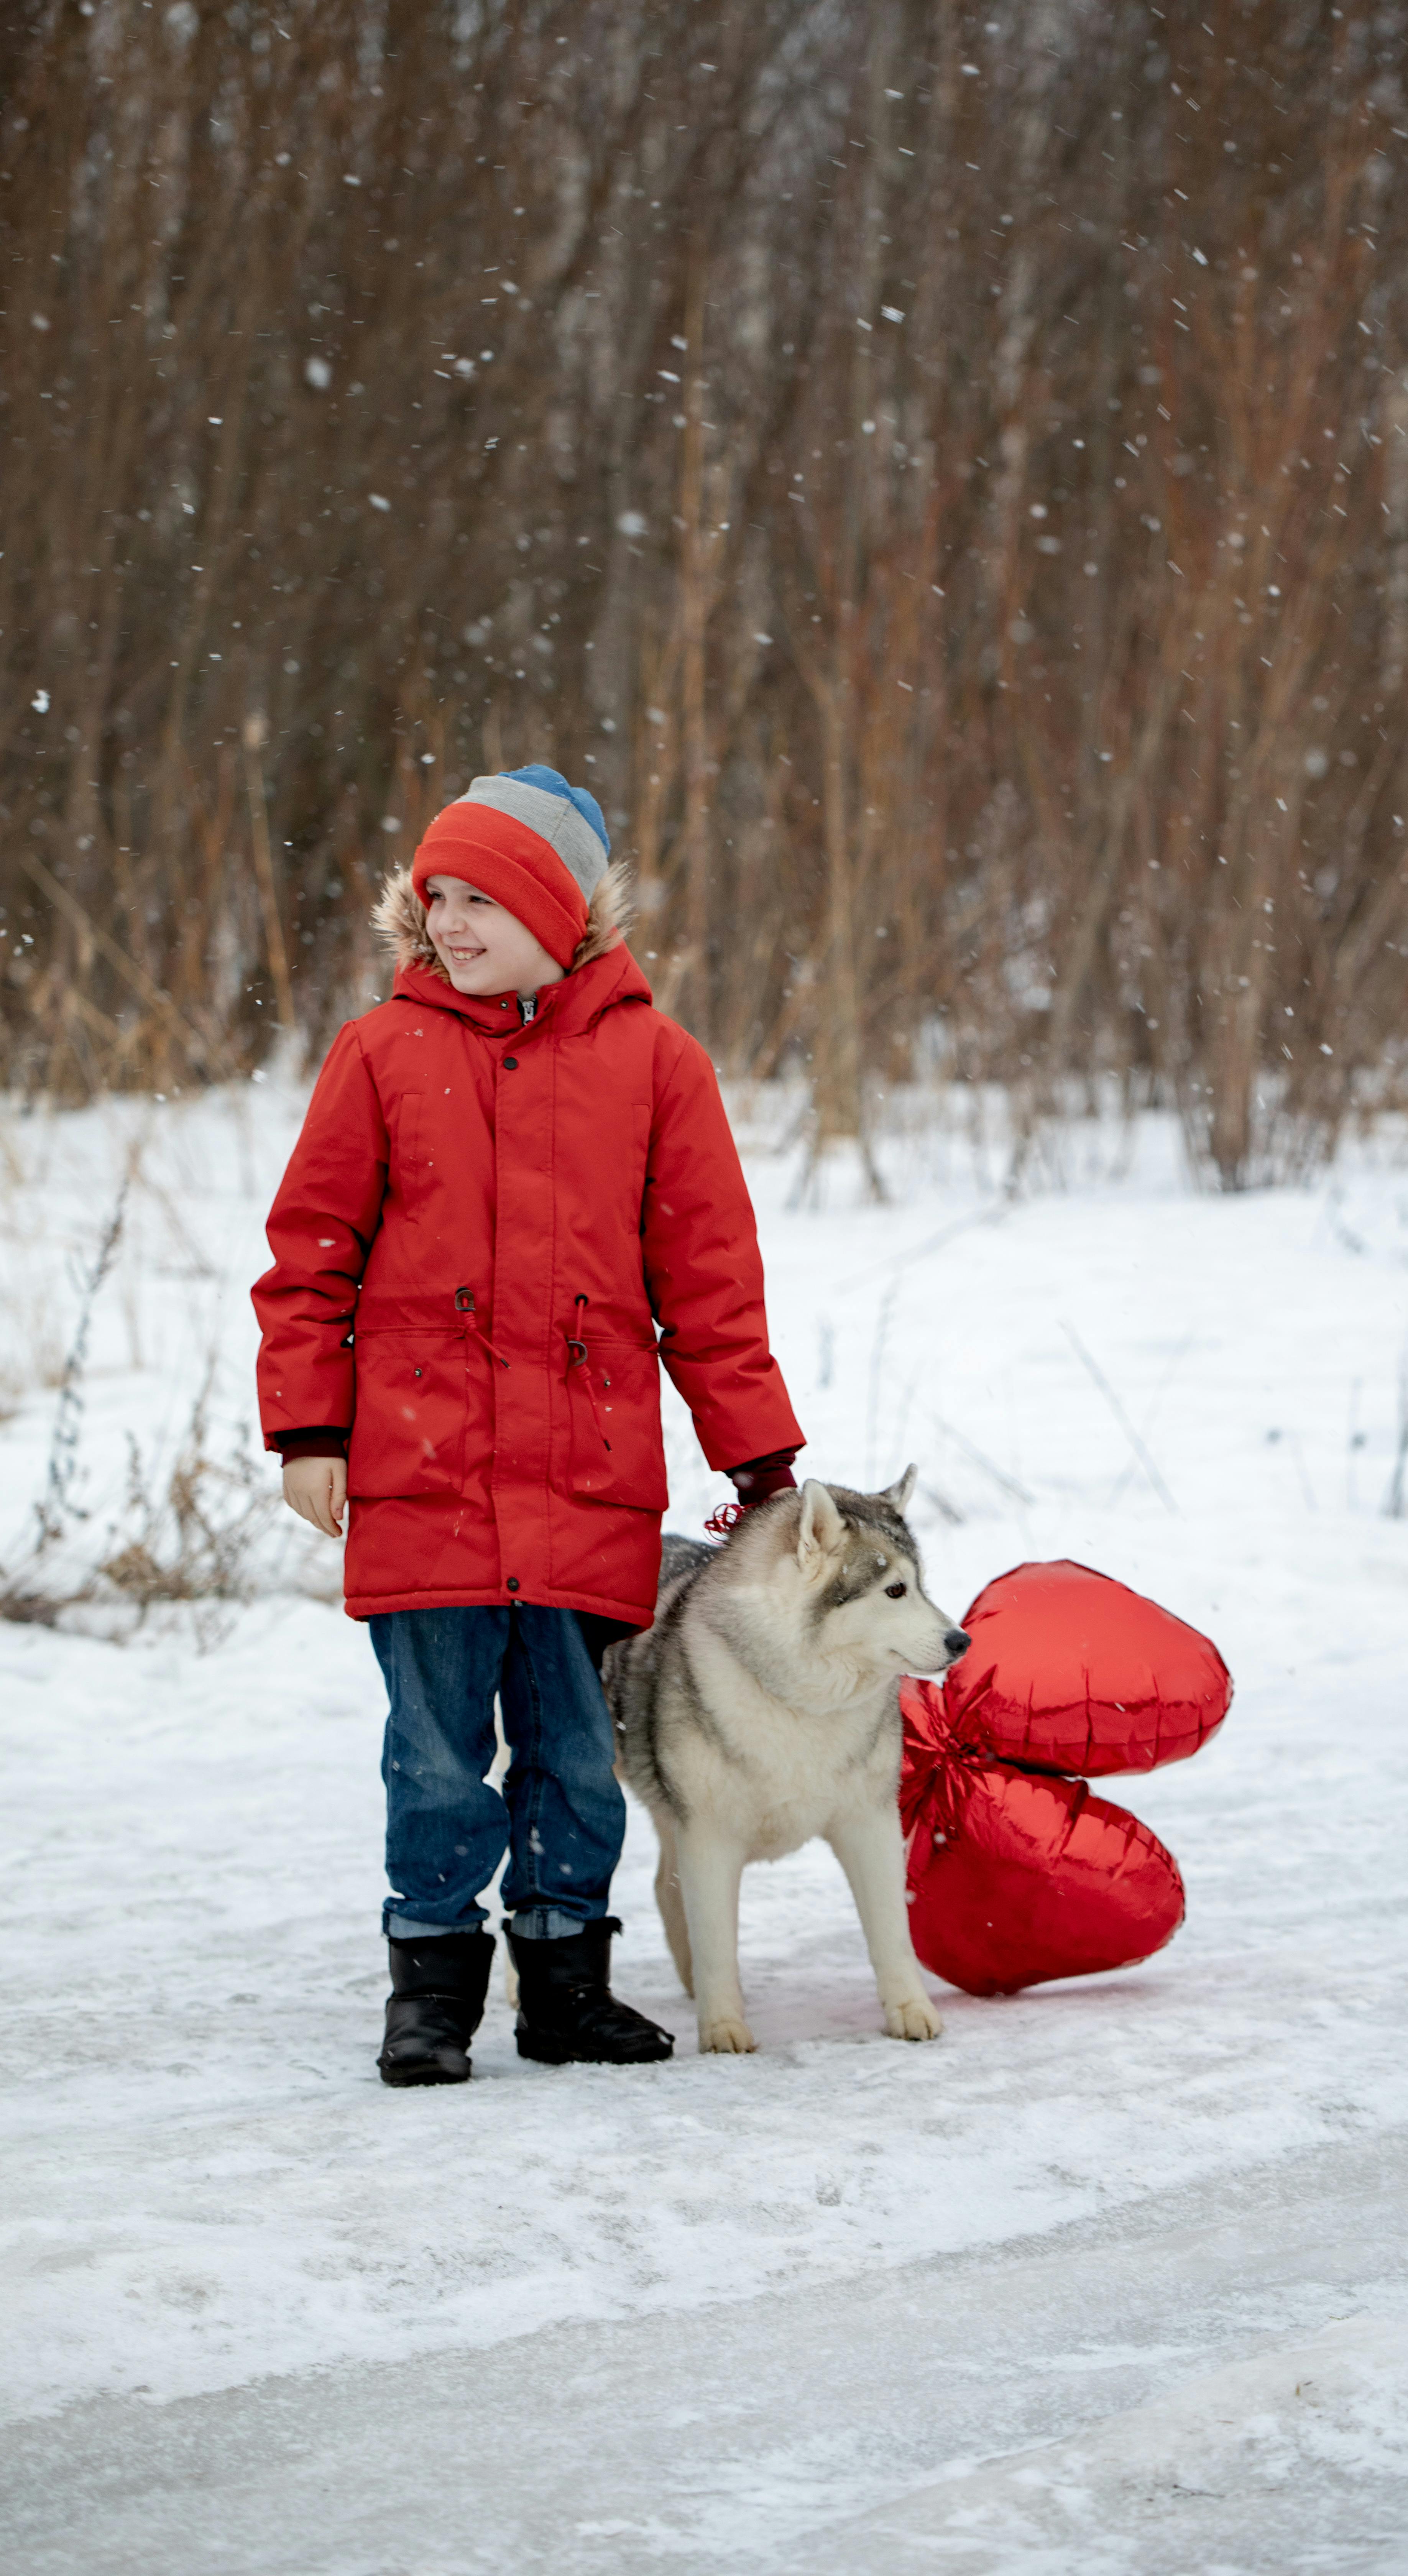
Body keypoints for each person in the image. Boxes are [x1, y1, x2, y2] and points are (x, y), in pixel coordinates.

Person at [253, 764, 803, 2088]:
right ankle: (430, 1988)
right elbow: (311, 1255)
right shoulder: (383, 1052)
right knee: (435, 1754)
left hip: (585, 1478)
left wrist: (761, 1456)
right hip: (421, 1472)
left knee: (573, 1754)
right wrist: (310, 1434)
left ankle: (565, 1985)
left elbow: (710, 1279)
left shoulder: (656, 1066)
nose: (449, 921)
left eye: (483, 899)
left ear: (560, 916)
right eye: (436, 895)